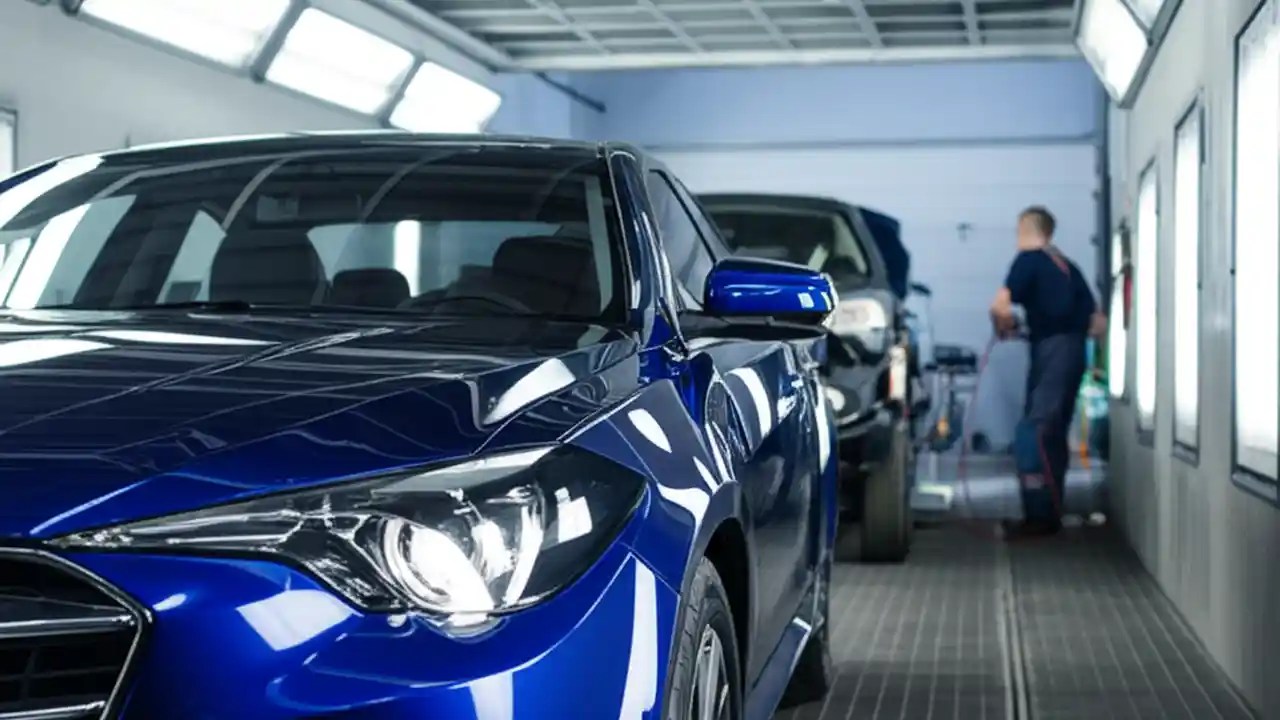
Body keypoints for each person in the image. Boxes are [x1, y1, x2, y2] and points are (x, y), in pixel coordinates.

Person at [989, 206, 1105, 535]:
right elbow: (1098, 324)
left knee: (1034, 430)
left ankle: (1038, 516)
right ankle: (1051, 511)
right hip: (1074, 352)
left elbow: (1000, 305)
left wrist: (1005, 324)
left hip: (1051, 351)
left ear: (1025, 229)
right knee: (1053, 431)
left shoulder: (1028, 259)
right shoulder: (1068, 265)